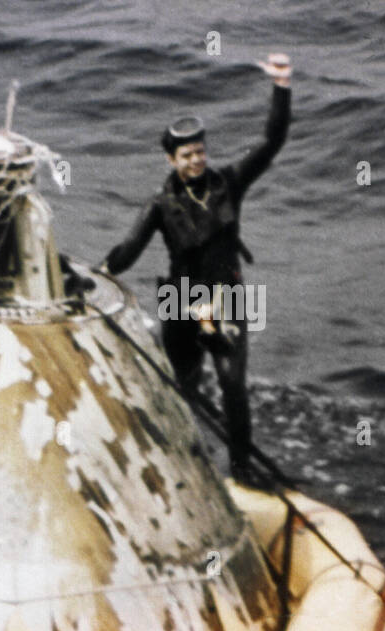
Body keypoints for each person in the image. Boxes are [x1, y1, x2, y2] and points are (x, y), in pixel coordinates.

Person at [101, 54, 291, 484]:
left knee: (232, 386)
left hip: (229, 296)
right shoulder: (158, 204)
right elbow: (130, 249)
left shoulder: (231, 182)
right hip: (179, 300)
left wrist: (281, 86)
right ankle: (180, 464)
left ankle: (241, 471)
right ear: (171, 159)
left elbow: (272, 142)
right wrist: (101, 270)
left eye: (201, 152)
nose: (196, 161)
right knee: (180, 389)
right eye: (186, 155)